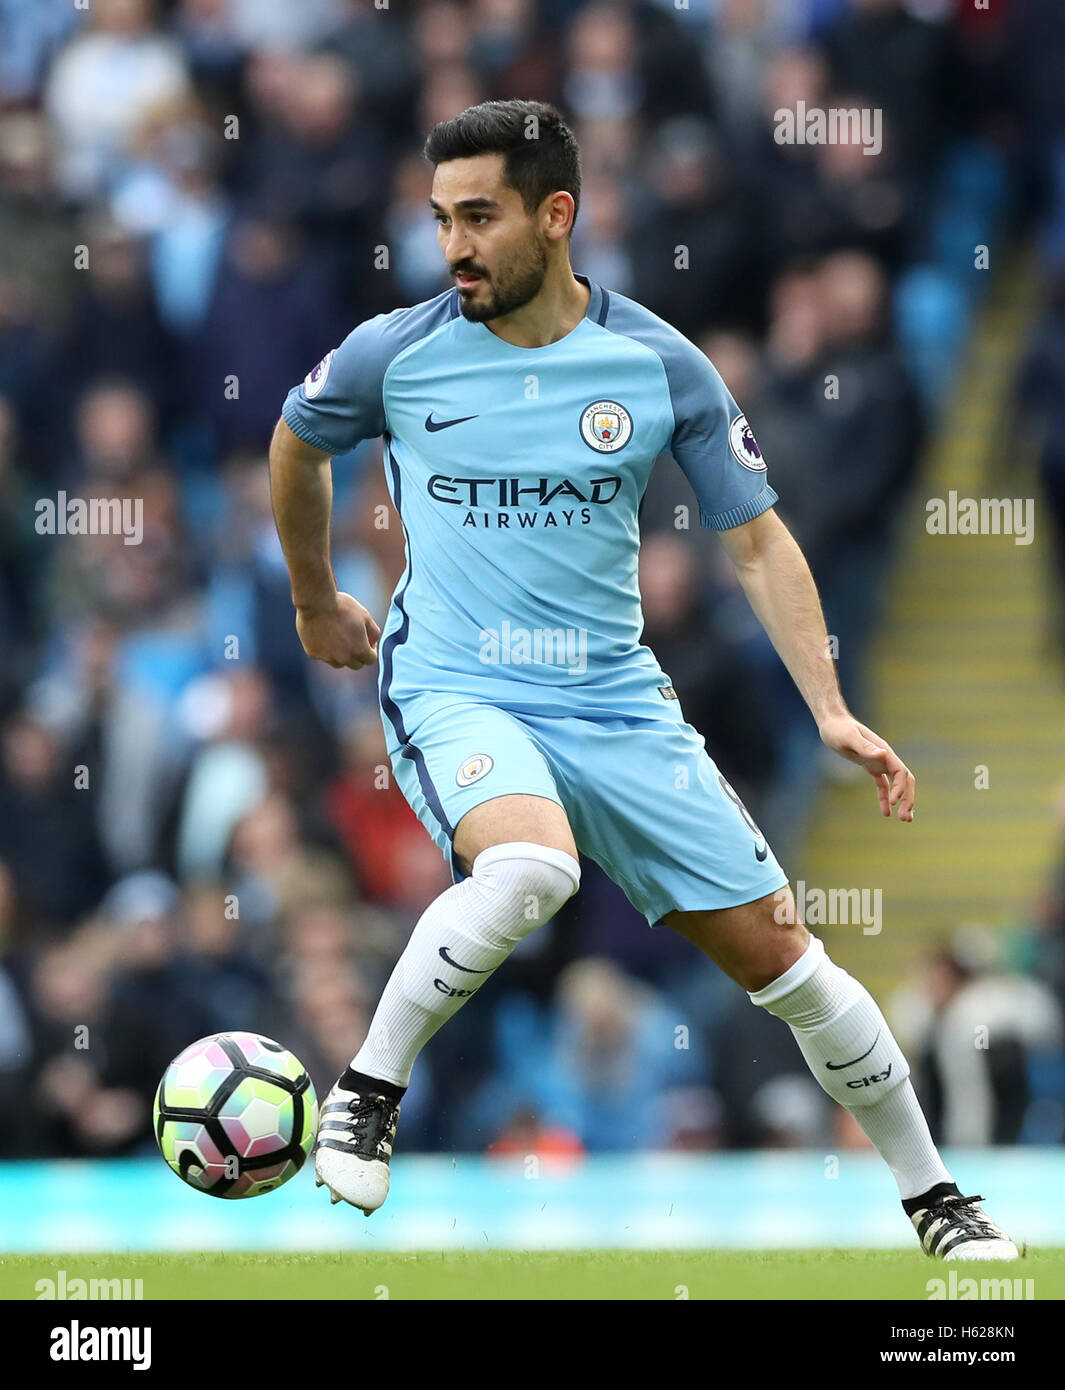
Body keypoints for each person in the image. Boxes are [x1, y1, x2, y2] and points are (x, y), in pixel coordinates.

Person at [269, 99, 1016, 1260]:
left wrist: (830, 707)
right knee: (529, 866)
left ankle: (937, 1201)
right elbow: (295, 440)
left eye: (481, 216)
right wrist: (315, 598)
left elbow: (758, 539)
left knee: (793, 966)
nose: (454, 246)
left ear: (556, 216)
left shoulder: (656, 362)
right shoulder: (396, 352)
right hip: (461, 685)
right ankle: (369, 1086)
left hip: (617, 699)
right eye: (439, 220)